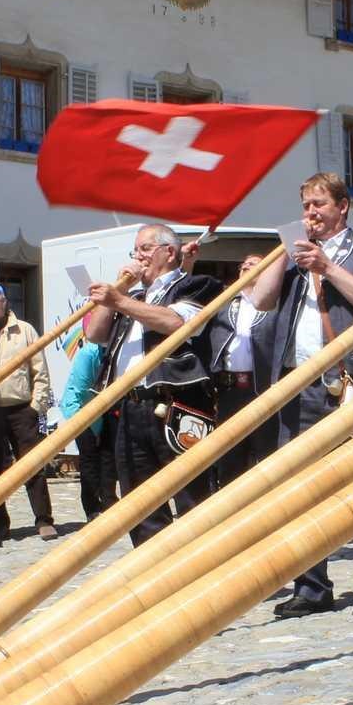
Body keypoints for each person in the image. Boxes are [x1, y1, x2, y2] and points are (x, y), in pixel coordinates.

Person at [251, 173, 353, 618]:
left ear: (343, 207)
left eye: (319, 204)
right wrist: (281, 258)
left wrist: (328, 268)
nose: (310, 214)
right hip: (299, 389)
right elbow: (260, 302)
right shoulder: (294, 256)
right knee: (301, 491)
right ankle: (311, 585)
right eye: (305, 206)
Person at [84, 225, 223, 547]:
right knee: (140, 499)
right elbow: (95, 335)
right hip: (131, 407)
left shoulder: (195, 285)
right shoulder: (132, 297)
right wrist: (114, 297)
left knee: (192, 494)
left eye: (145, 249)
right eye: (135, 250)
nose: (138, 257)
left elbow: (176, 324)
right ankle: (154, 573)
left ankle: (198, 573)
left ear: (168, 252)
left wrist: (119, 299)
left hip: (178, 403)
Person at [0, 283, 57, 541]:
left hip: (22, 410)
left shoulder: (25, 331)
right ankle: (0, 522)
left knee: (32, 466)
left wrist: (35, 407)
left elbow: (40, 371)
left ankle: (43, 519)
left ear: (4, 302)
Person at [210, 250, 274, 489]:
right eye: (244, 264)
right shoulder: (223, 302)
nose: (247, 265)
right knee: (230, 457)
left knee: (266, 455)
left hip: (262, 389)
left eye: (255, 263)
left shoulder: (273, 304)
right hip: (229, 391)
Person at [59, 341, 115, 522]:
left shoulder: (116, 347)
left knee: (108, 456)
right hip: (80, 407)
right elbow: (82, 392)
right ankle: (91, 507)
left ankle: (109, 500)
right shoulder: (88, 353)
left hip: (104, 407)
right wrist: (96, 427)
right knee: (89, 456)